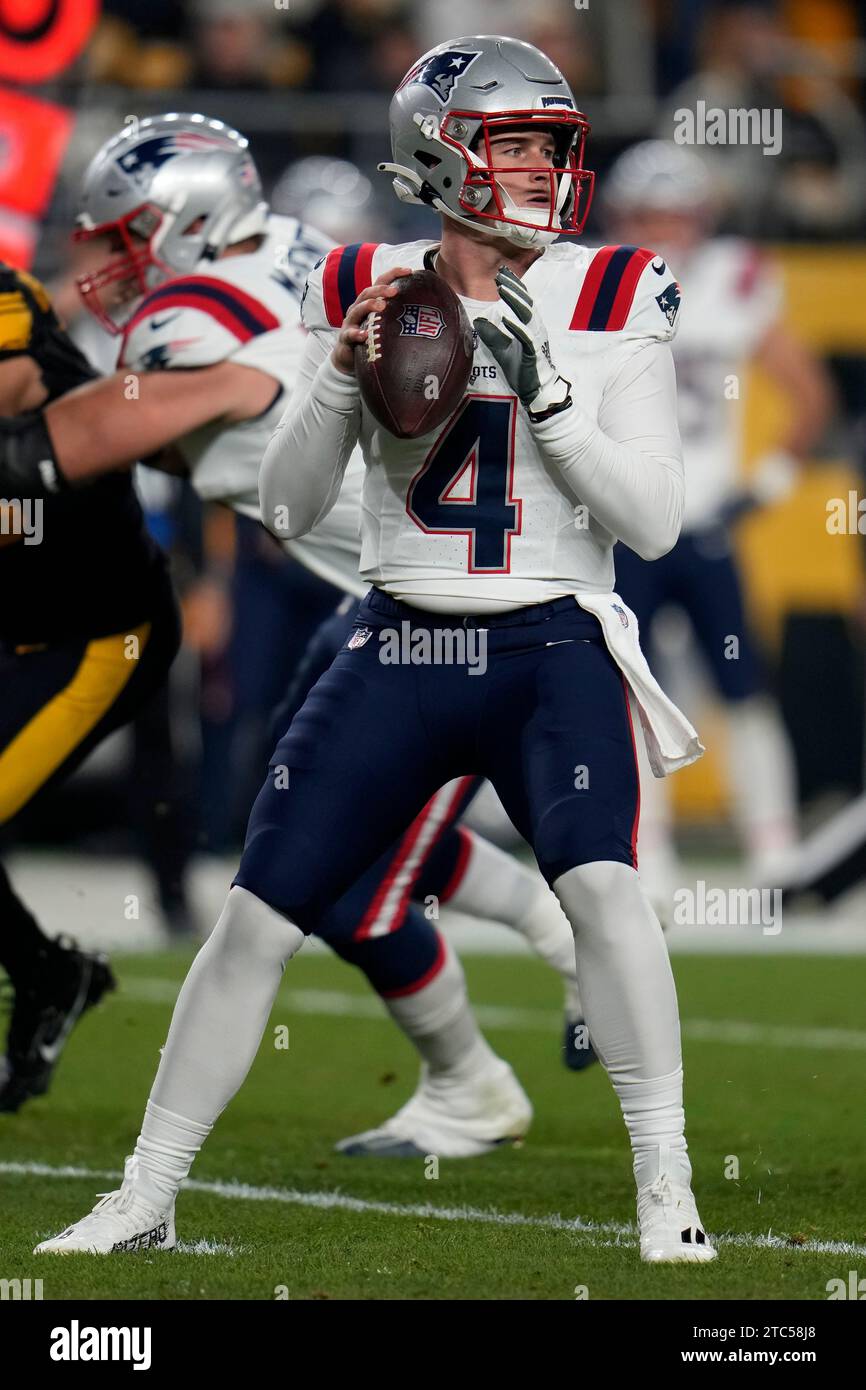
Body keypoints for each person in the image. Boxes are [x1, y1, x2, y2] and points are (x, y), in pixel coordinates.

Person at [31, 37, 716, 1264]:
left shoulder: (615, 287)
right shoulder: (361, 280)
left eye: (549, 147)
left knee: (607, 896)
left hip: (550, 641)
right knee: (254, 919)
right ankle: (145, 1193)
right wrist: (337, 383)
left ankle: (666, 1185)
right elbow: (289, 509)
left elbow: (655, 522)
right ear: (434, 155)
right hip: (393, 637)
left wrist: (549, 398)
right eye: (510, 144)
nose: (539, 171)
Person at [603, 140, 834, 907]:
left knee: (744, 690)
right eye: (651, 214)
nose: (665, 229)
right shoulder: (597, 280)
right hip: (631, 518)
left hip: (703, 525)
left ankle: (774, 854)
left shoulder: (735, 277)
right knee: (637, 694)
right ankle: (650, 852)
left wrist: (761, 486)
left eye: (677, 213)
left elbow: (810, 394)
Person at [0, 264, 179, 1112]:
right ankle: (49, 972)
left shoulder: (81, 421)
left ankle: (48, 974)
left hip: (101, 643)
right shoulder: (36, 375)